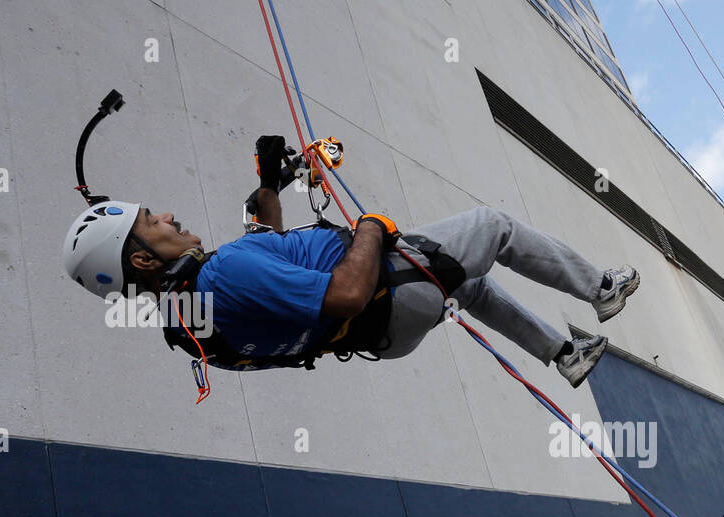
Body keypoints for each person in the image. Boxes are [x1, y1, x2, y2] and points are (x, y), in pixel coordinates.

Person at [62, 137, 639, 386]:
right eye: (151, 222)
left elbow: (274, 256)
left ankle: (566, 353)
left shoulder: (195, 313)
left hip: (381, 333)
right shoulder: (221, 274)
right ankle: (601, 290)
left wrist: (269, 184)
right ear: (140, 258)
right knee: (493, 227)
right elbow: (343, 294)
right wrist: (370, 229)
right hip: (383, 290)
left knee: (470, 284)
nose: (166, 215)